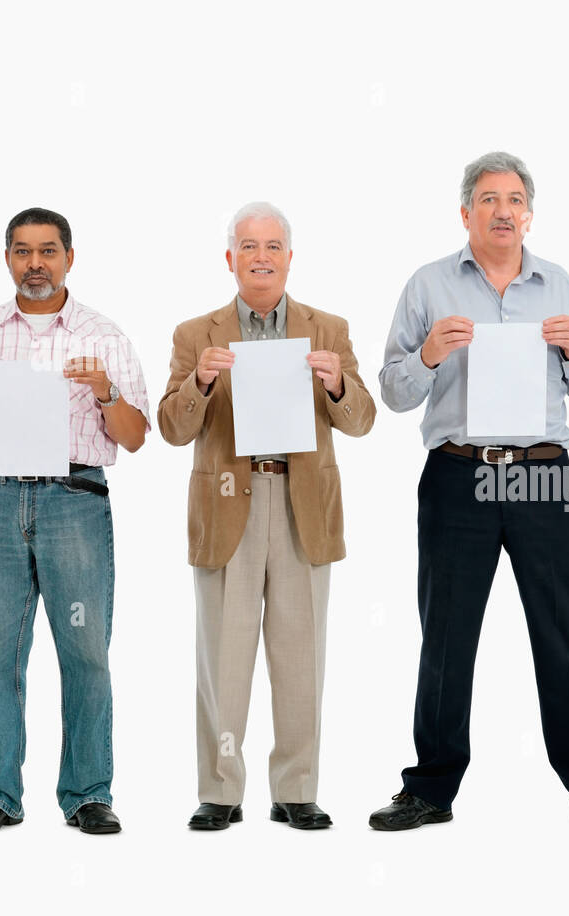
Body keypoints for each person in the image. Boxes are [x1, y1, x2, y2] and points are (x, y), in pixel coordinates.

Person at [373, 151, 569, 831]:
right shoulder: (427, 285)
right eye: (489, 198)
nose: (504, 210)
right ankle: (430, 789)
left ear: (529, 212)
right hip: (458, 474)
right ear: (465, 211)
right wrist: (429, 354)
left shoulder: (558, 285)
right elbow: (392, 391)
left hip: (543, 474)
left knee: (563, 632)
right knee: (447, 635)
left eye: (515, 199)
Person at [0, 207, 150, 835]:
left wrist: (106, 391)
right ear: (7, 260)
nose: (35, 264)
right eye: (22, 251)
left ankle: (87, 793)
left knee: (86, 651)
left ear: (70, 258)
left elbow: (134, 440)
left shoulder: (103, 336)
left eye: (48, 251)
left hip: (73, 501)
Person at [158, 202, 375, 832]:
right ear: (230, 258)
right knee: (222, 657)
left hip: (303, 503)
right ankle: (220, 791)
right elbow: (172, 428)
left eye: (273, 245)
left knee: (300, 655)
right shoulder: (195, 332)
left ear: (288, 257)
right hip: (228, 501)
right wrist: (197, 383)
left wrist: (338, 386)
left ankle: (296, 789)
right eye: (248, 246)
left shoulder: (327, 328)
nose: (261, 256)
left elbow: (361, 421)